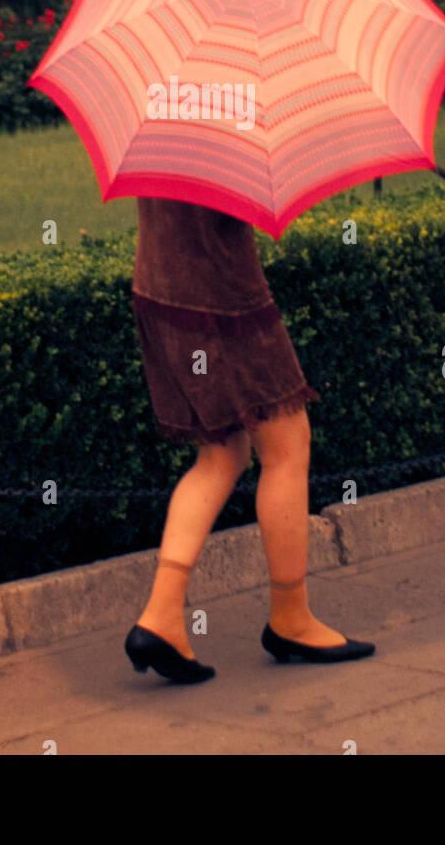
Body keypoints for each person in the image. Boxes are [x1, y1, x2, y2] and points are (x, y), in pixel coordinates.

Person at [124, 195, 375, 684]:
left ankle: (160, 617)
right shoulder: (230, 115)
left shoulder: (163, 114)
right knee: (287, 444)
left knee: (220, 455)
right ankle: (291, 618)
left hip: (158, 285)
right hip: (221, 296)